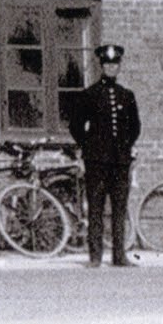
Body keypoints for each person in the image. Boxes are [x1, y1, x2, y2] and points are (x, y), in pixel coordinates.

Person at [68, 43, 141, 267]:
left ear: (119, 67)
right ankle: (95, 256)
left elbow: (135, 127)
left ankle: (119, 256)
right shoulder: (89, 95)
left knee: (119, 209)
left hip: (120, 162)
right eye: (108, 64)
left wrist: (126, 147)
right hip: (97, 162)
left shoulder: (126, 96)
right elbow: (75, 126)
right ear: (101, 66)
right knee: (96, 209)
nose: (111, 68)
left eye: (115, 64)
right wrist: (88, 145)